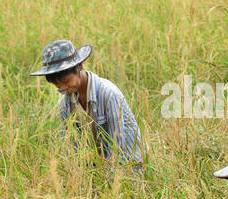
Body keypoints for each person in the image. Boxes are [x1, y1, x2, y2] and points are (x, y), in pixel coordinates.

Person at [30, 38, 144, 166]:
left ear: (79, 67)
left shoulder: (108, 94)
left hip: (128, 164)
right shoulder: (65, 105)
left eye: (67, 81)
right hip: (97, 166)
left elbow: (117, 148)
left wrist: (109, 178)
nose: (64, 88)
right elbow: (71, 148)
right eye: (58, 85)